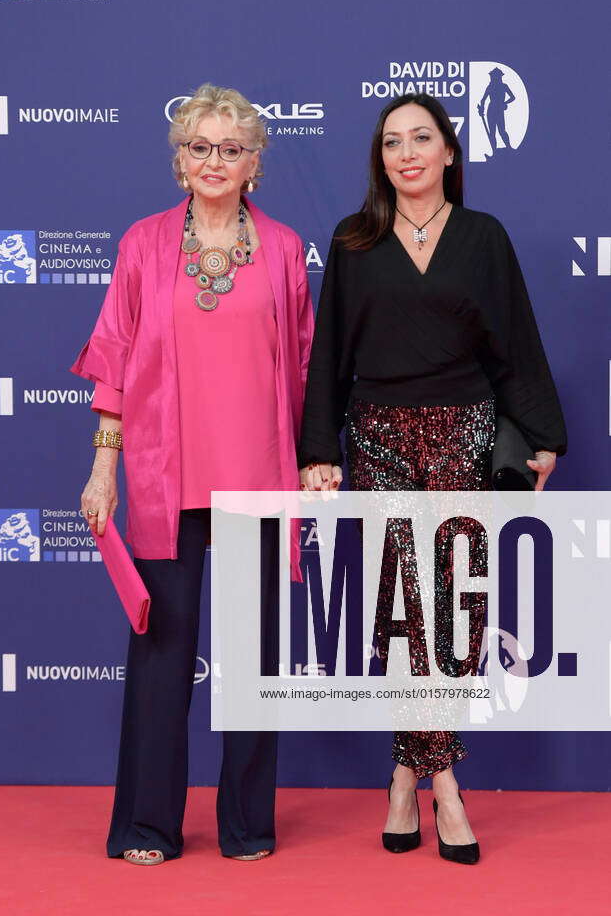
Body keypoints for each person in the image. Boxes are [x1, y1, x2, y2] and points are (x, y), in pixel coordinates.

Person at [298, 93, 566, 864]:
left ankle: (404, 775)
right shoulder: (353, 242)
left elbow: (514, 341)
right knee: (403, 613)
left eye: (421, 138)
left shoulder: (483, 237)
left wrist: (543, 437)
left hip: (464, 432)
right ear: (378, 159)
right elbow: (329, 361)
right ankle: (442, 782)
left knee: (455, 617)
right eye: (391, 142)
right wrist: (319, 445)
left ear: (449, 151)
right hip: (378, 433)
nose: (406, 152)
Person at [71, 83, 314, 864]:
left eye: (231, 148)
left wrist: (312, 462)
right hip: (163, 478)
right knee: (160, 660)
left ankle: (247, 825)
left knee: (251, 668)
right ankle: (147, 826)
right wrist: (103, 470)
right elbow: (112, 355)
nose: (214, 161)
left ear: (254, 163)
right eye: (199, 147)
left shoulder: (281, 248)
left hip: (257, 481)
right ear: (179, 161)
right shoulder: (142, 243)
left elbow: (305, 367)